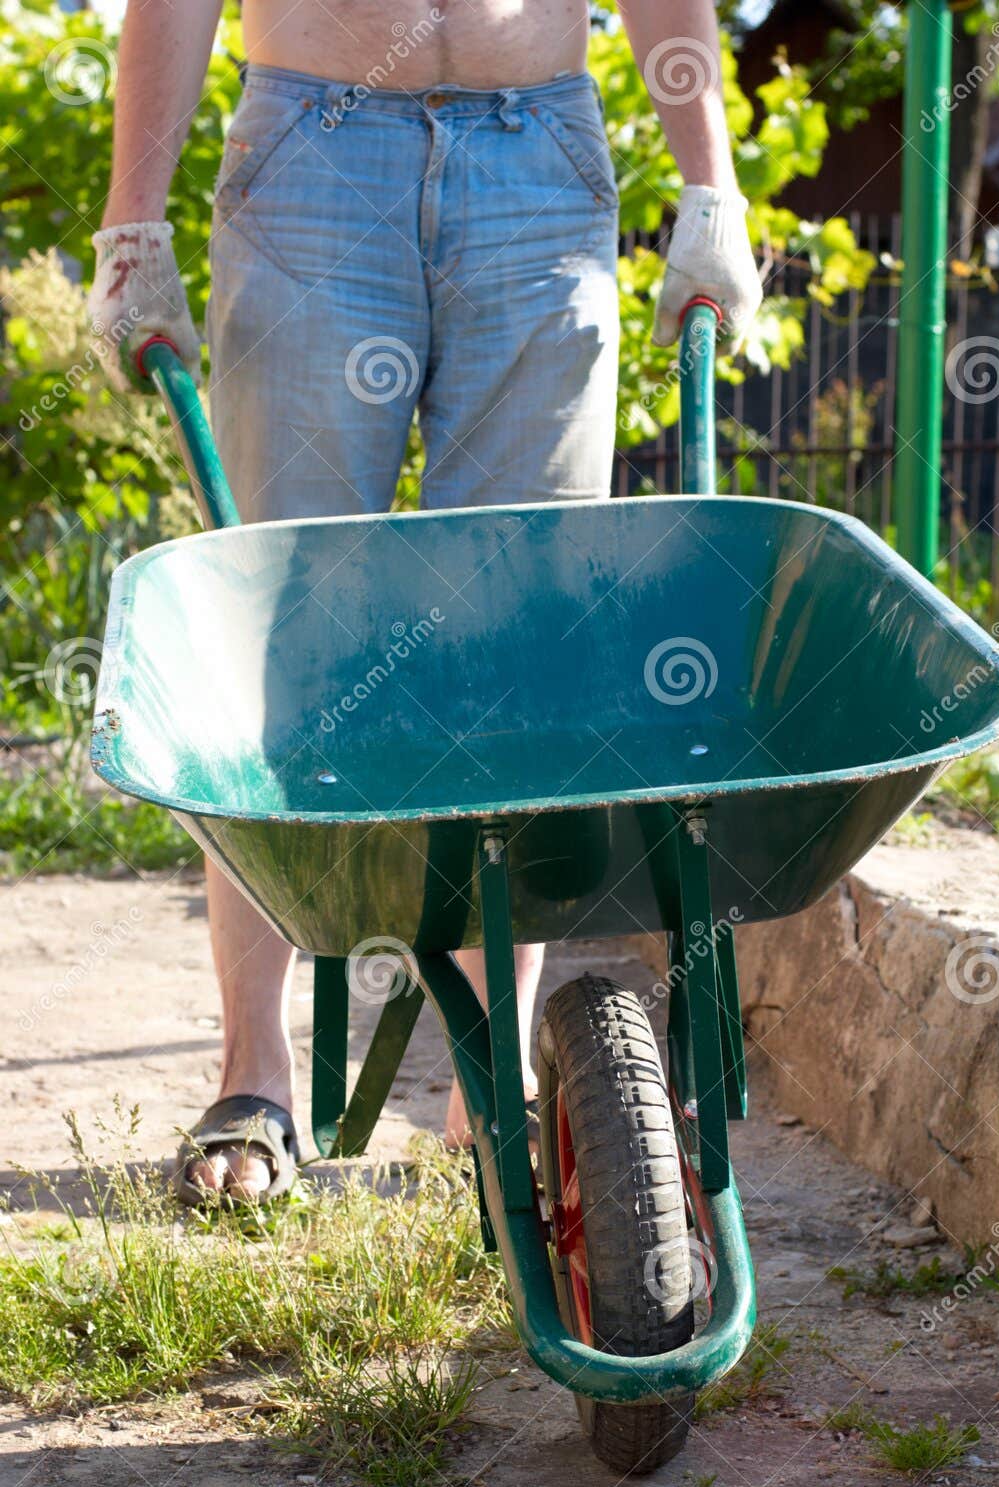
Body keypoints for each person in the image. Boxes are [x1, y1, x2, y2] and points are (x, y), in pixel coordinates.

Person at [89, 0, 762, 1204]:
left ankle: (484, 1095)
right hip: (312, 158)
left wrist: (707, 184)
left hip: (540, 168)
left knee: (522, 642)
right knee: (276, 626)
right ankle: (255, 1075)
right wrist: (131, 218)